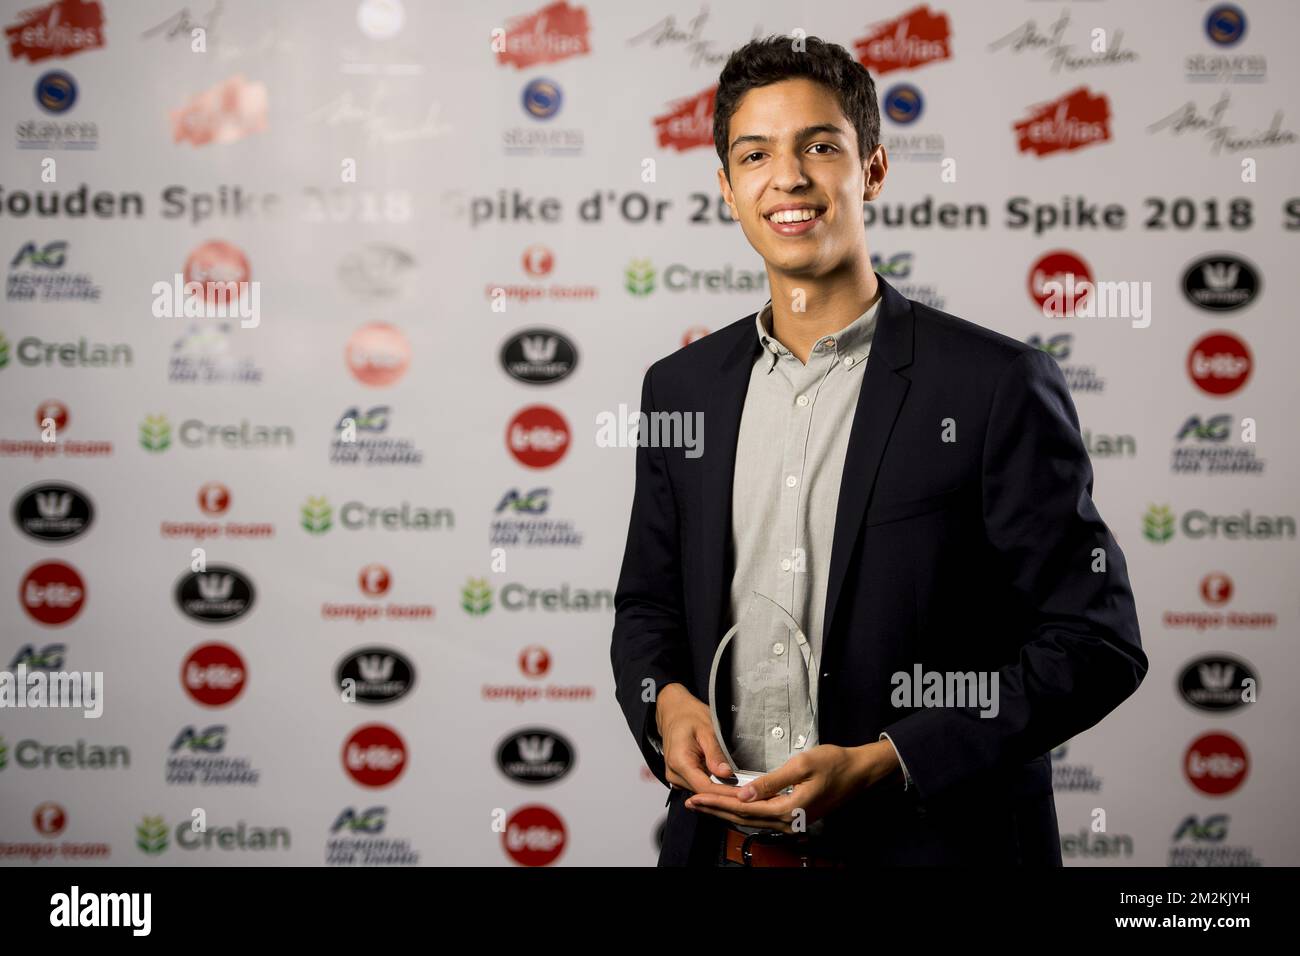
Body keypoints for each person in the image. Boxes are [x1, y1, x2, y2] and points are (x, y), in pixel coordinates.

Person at [610, 35, 1147, 867]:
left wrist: (890, 760)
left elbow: (1093, 642)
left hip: (935, 850)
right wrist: (665, 704)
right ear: (726, 188)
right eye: (755, 155)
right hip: (723, 852)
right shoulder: (680, 389)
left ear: (874, 169)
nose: (787, 177)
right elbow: (647, 605)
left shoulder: (994, 384)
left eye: (820, 147)